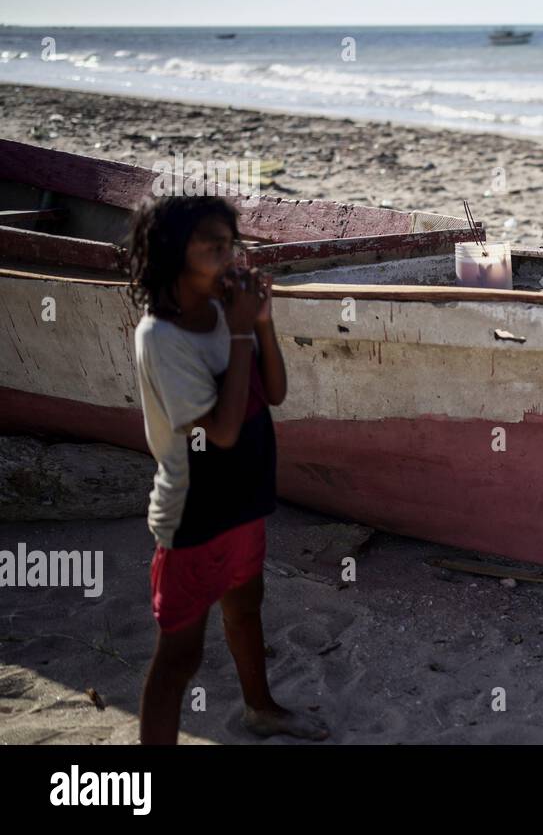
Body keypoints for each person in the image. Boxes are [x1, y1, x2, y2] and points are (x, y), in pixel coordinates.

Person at [127, 193, 328, 744]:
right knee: (179, 655)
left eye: (229, 243)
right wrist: (240, 330)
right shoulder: (161, 337)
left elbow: (277, 392)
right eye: (211, 244)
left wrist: (260, 321)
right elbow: (219, 431)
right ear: (172, 253)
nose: (227, 253)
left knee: (246, 607)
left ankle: (259, 708)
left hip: (243, 498)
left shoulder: (223, 313)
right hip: (194, 512)